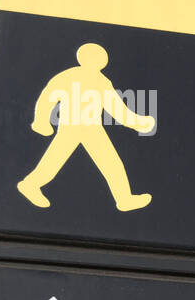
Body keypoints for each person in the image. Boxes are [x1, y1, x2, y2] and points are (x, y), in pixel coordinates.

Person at [17, 42, 156, 211]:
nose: (99, 60)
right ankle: (30, 184)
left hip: (91, 127)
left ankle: (124, 198)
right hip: (73, 126)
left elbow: (116, 108)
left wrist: (137, 122)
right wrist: (41, 121)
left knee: (110, 163)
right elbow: (48, 97)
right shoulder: (72, 77)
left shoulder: (99, 81)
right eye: (96, 57)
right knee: (56, 160)